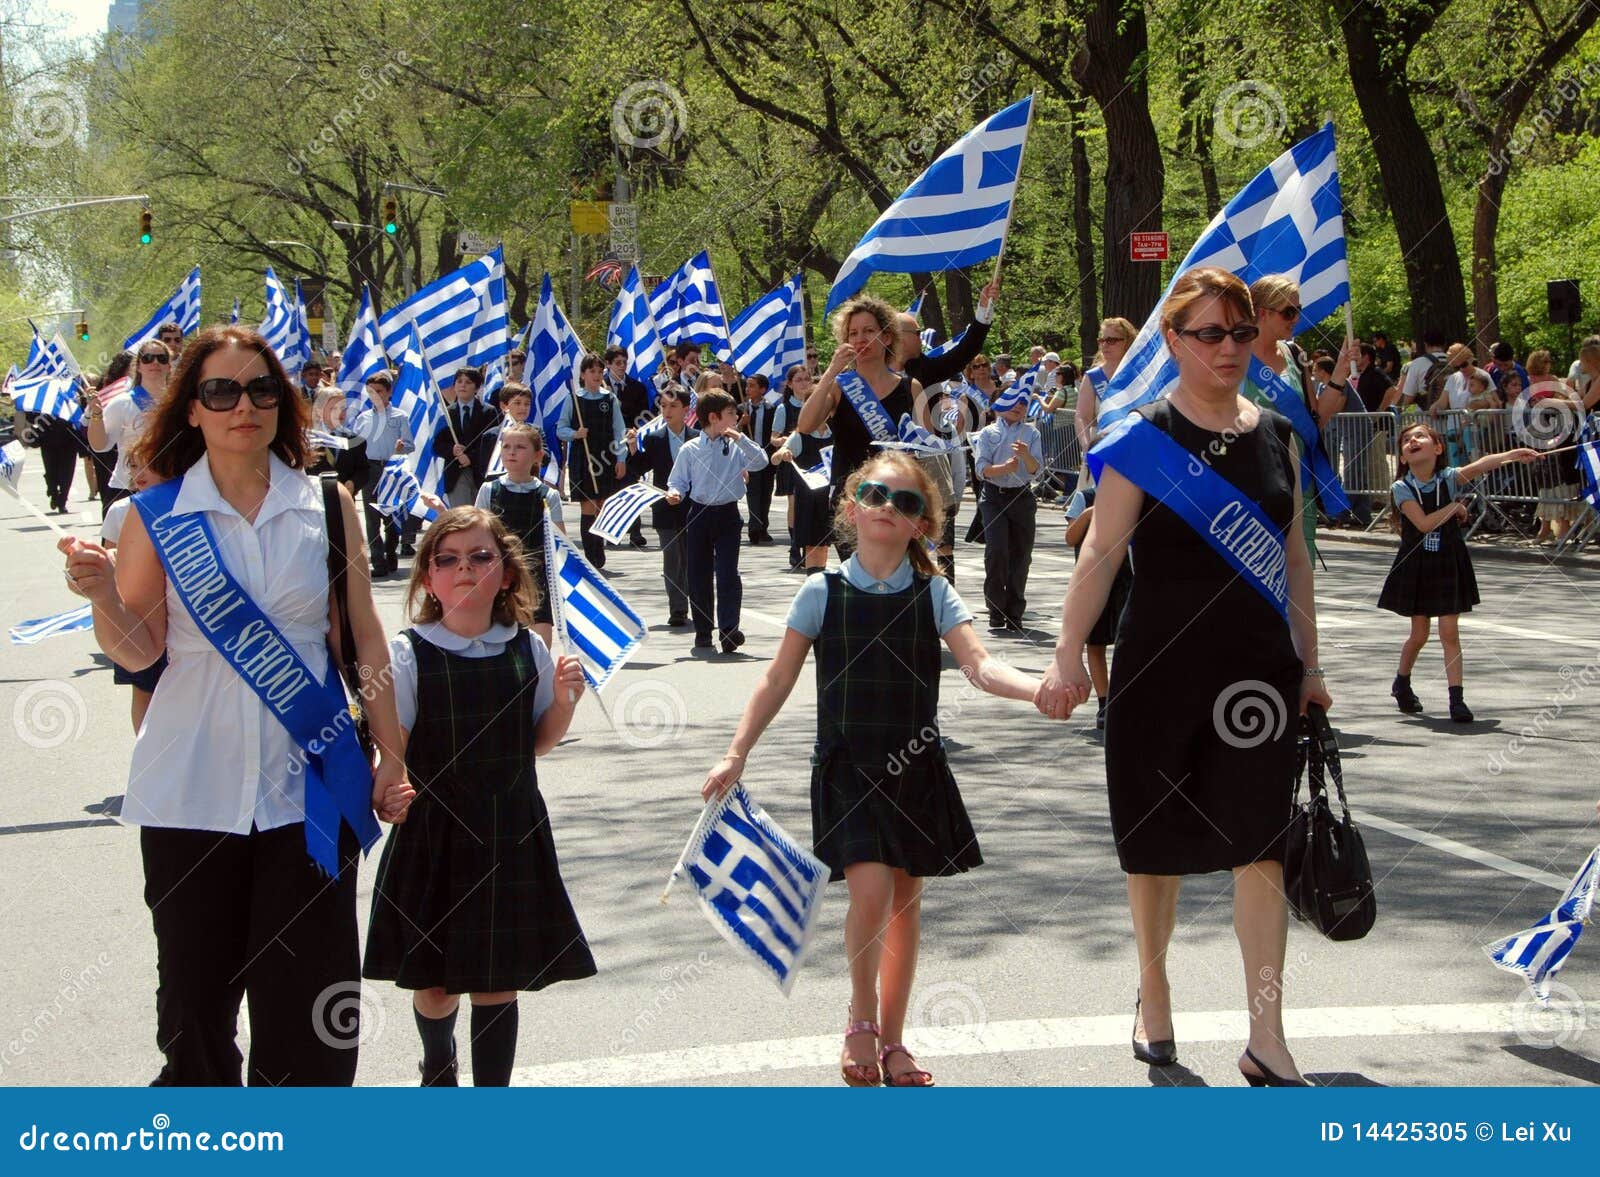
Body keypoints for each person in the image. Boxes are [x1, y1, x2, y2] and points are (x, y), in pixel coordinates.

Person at [59, 324, 411, 1085]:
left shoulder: (328, 502)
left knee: (311, 1012)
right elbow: (139, 649)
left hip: (308, 791)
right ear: (192, 409)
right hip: (191, 793)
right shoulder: (157, 515)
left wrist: (392, 755)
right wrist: (99, 596)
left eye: (259, 389)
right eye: (220, 390)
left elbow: (367, 637)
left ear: (283, 405)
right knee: (196, 1013)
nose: (241, 405)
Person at [1035, 266, 1329, 1086]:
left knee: (1262, 846)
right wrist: (1067, 653)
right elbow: (1100, 552)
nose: (1232, 348)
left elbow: (1295, 557)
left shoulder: (1278, 434)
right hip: (1158, 667)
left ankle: (1266, 1034)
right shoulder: (1140, 438)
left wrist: (1310, 662)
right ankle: (1155, 994)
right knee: (1153, 847)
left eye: (1241, 332)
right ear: (1173, 340)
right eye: (1211, 334)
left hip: (1257, 678)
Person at [699, 451, 1040, 1087]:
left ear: (921, 525)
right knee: (872, 892)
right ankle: (861, 1020)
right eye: (877, 494)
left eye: (907, 502)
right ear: (852, 508)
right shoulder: (820, 589)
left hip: (915, 766)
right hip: (848, 766)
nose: (890, 506)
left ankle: (896, 1038)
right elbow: (776, 678)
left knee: (907, 906)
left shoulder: (934, 591)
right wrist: (736, 750)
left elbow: (981, 665)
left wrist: (1038, 688)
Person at [364, 508, 595, 1086]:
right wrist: (387, 790)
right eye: (448, 559)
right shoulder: (409, 653)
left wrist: (564, 702)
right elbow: (396, 748)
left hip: (508, 829)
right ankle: (438, 1062)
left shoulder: (529, 650)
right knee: (437, 985)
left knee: (497, 978)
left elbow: (537, 742)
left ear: (508, 574)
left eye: (481, 556)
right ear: (428, 580)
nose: (464, 567)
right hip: (434, 834)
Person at [1379, 421, 1537, 721]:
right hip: (1419, 565)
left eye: (1420, 437)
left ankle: (1457, 699)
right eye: (1407, 440)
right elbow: (1424, 524)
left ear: (1437, 448)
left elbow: (1481, 465)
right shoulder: (1402, 487)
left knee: (1449, 632)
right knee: (1419, 634)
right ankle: (1402, 682)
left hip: (1448, 561)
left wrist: (1515, 454)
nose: (1413, 441)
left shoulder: (1448, 478)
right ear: (1402, 457)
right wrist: (1454, 508)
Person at [796, 294, 927, 550]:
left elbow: (928, 452)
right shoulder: (839, 386)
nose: (860, 339)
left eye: (869, 331)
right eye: (853, 333)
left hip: (897, 502)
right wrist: (832, 371)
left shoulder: (911, 387)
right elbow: (806, 425)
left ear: (887, 337)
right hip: (852, 504)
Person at [665, 388, 769, 654]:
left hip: (728, 515)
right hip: (699, 513)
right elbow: (678, 480)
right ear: (713, 417)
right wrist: (675, 492)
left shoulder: (736, 445)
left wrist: (741, 438)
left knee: (727, 574)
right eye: (731, 414)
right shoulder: (690, 449)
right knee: (698, 575)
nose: (736, 418)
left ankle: (729, 630)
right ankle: (703, 630)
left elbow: (761, 462)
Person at [476, 423, 565, 649]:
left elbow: (559, 543)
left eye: (520, 447)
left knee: (540, 648)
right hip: (497, 576)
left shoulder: (548, 495)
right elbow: (475, 535)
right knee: (497, 644)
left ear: (538, 456)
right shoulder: (489, 490)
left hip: (536, 579)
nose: (511, 452)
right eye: (506, 446)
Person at [98, 465, 168, 732]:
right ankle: (145, 746)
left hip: (178, 617)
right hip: (139, 615)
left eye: (151, 464)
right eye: (133, 465)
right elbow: (112, 564)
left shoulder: (192, 507)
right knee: (143, 686)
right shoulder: (121, 510)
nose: (139, 472)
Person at [972, 381, 1042, 634]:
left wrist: (1026, 456)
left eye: (1024, 403)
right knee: (997, 551)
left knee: (1021, 555)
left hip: (1021, 497)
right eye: (1013, 402)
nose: (1019, 407)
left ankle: (1015, 611)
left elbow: (1036, 471)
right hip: (994, 497)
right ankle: (995, 608)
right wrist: (1002, 469)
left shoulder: (1032, 434)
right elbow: (982, 470)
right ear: (999, 406)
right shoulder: (988, 434)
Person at [1063, 484, 1131, 731]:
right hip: (1093, 581)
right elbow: (1070, 537)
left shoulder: (1134, 493)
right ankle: (1105, 703)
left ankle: (1126, 698)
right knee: (1096, 643)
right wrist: (1089, 513)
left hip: (1127, 578)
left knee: (1129, 641)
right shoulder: (1085, 496)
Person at [629, 385, 699, 626]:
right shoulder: (654, 439)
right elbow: (639, 469)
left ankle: (697, 603)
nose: (667, 411)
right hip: (665, 507)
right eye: (663, 406)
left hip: (693, 506)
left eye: (673, 406)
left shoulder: (697, 438)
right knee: (672, 558)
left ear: (686, 409)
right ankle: (678, 608)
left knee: (692, 558)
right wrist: (633, 450)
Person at [557, 355, 628, 568]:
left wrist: (621, 458)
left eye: (599, 372)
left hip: (605, 457)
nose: (596, 376)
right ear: (583, 374)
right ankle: (591, 557)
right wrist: (575, 434)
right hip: (583, 458)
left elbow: (619, 430)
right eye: (592, 372)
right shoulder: (573, 399)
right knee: (588, 506)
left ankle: (600, 545)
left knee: (602, 505)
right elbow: (561, 429)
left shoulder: (610, 399)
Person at [87, 339, 170, 511]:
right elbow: (100, 446)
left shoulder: (179, 403)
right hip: (127, 487)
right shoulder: (122, 402)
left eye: (161, 358)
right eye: (148, 358)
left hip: (171, 486)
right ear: (138, 366)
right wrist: (96, 414)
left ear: (169, 365)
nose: (155, 363)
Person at [347, 370, 414, 577]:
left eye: (379, 391)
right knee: (371, 516)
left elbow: (410, 444)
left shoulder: (399, 416)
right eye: (371, 391)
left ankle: (390, 550)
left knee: (391, 515)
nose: (375, 395)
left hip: (392, 468)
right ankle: (378, 561)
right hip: (370, 468)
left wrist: (402, 447)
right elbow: (355, 446)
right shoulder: (363, 418)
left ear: (388, 392)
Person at [770, 367, 834, 576]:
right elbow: (776, 455)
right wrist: (784, 453)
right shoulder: (801, 435)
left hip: (832, 497)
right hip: (808, 497)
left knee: (835, 540)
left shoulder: (838, 434)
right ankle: (814, 578)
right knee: (813, 541)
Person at [891, 274, 1002, 389]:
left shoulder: (923, 368)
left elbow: (965, 351)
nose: (921, 337)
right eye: (918, 332)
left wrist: (985, 308)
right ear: (899, 336)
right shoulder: (873, 371)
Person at [602, 346, 650, 548]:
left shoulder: (637, 387)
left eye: (624, 362)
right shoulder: (600, 387)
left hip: (629, 443)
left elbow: (645, 414)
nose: (622, 367)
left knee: (631, 485)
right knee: (610, 489)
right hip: (606, 447)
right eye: (617, 363)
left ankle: (635, 531)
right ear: (608, 364)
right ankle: (613, 530)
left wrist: (634, 432)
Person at [431, 367, 498, 508]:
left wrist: (471, 457)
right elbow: (437, 444)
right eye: (459, 381)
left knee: (482, 514)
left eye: (468, 382)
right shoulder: (446, 413)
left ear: (476, 387)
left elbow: (492, 442)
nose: (463, 385)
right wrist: (452, 450)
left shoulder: (488, 411)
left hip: (481, 472)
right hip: (456, 473)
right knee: (462, 516)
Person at [1073, 318, 1136, 465]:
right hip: (1102, 449)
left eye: (1111, 340)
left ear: (1127, 342)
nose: (1105, 345)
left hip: (1136, 449)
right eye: (1102, 340)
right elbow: (1082, 416)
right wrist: (1087, 446)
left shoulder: (1140, 374)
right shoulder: (1093, 377)